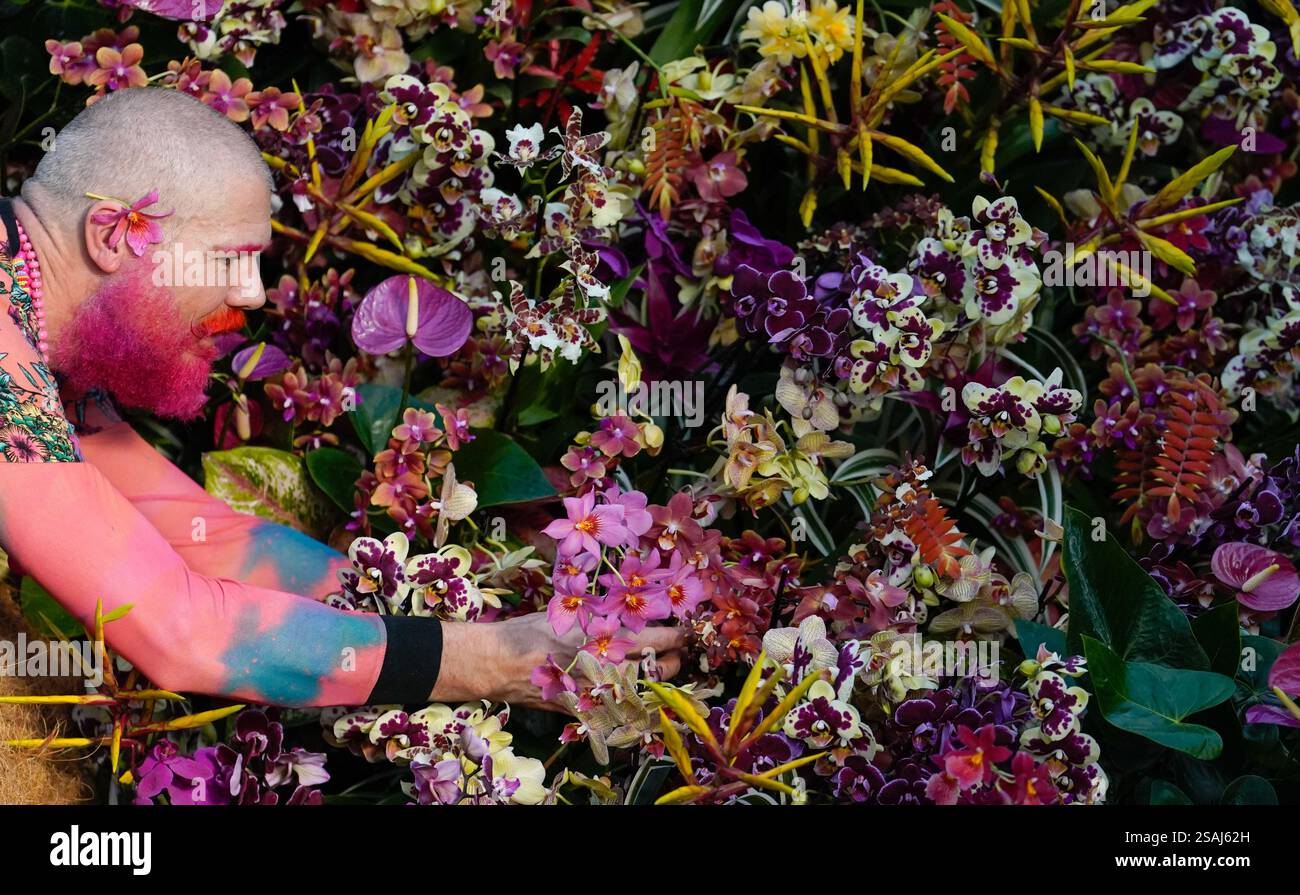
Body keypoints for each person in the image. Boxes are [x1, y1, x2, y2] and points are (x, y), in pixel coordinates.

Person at [0, 87, 683, 711]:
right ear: (115, 235)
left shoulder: (36, 309)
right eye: (229, 258)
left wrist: (461, 607)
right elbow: (177, 630)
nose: (251, 295)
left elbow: (199, 533)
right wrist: (491, 661)